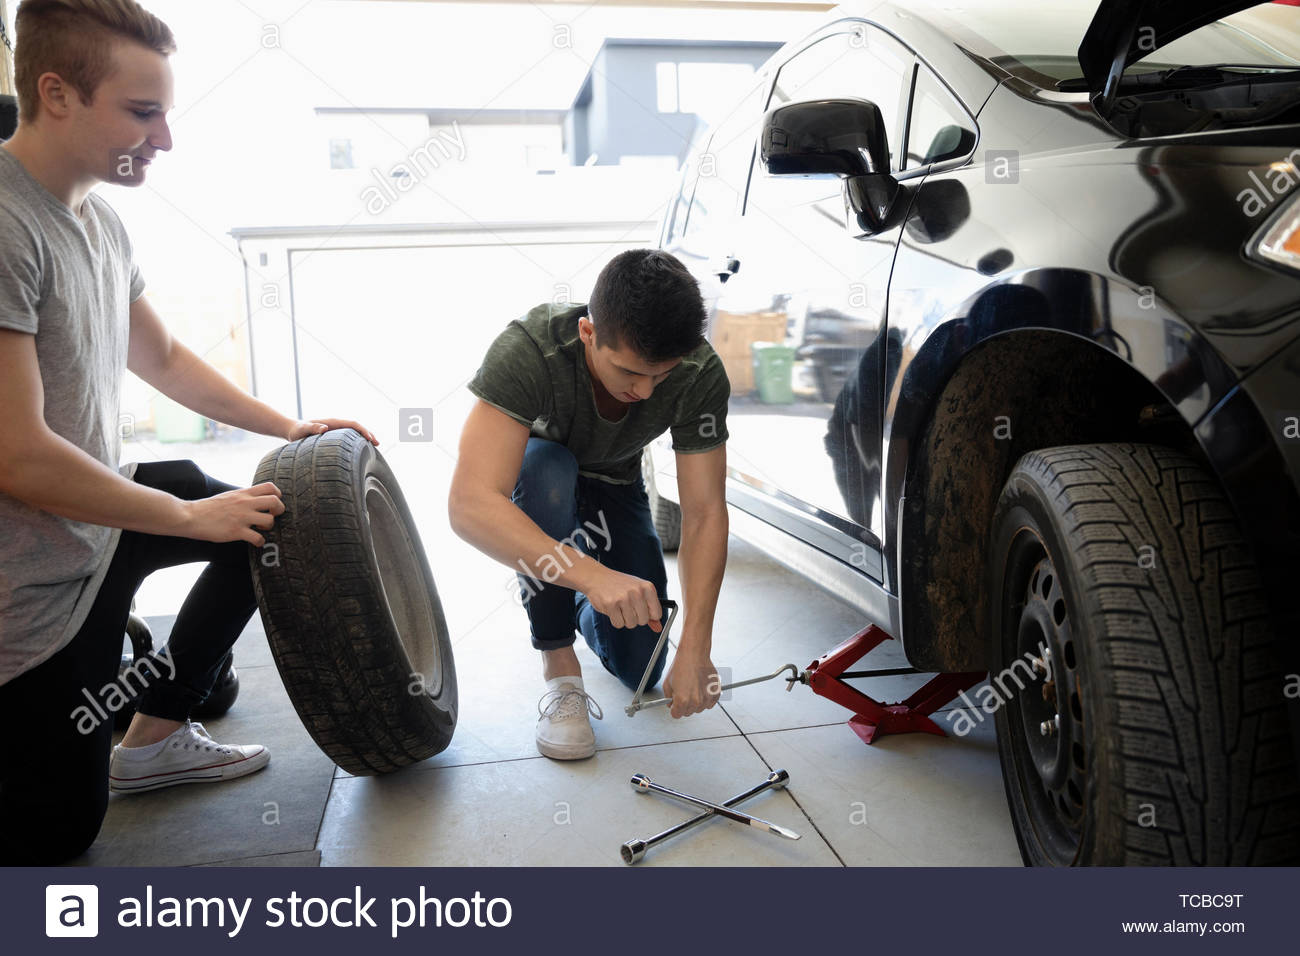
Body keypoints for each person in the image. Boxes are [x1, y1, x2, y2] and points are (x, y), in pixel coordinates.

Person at [0, 0, 378, 865]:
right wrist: (184, 518)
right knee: (55, 836)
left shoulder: (99, 220)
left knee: (270, 519)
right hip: (29, 580)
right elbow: (17, 455)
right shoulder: (5, 225)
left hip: (98, 519)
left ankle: (157, 736)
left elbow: (163, 358)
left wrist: (291, 426)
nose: (164, 138)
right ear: (55, 94)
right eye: (143, 113)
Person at [449, 249, 731, 760]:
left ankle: (573, 594)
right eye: (629, 372)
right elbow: (469, 504)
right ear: (587, 333)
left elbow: (705, 512)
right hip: (541, 479)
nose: (644, 391)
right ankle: (560, 668)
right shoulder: (530, 349)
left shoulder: (699, 371)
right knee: (549, 470)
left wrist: (697, 644)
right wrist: (594, 575)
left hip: (616, 483)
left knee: (642, 668)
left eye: (661, 376)